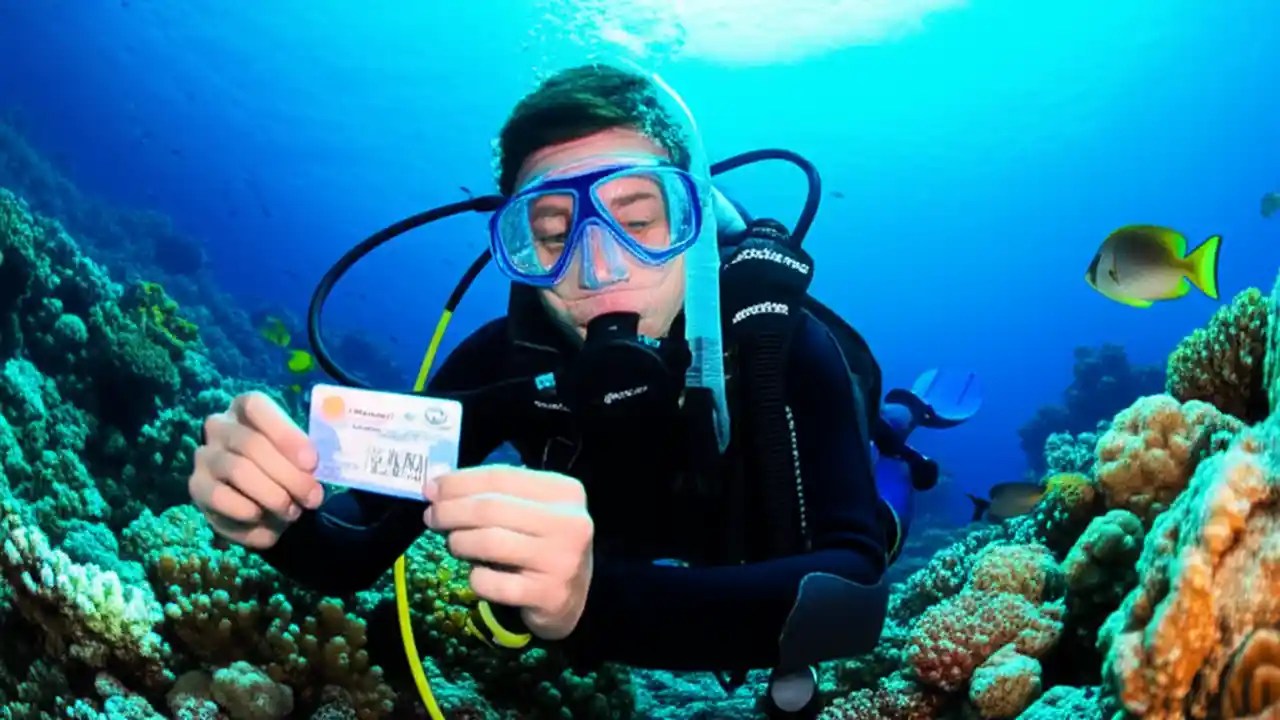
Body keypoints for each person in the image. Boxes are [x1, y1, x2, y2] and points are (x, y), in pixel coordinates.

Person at [188, 62, 977, 717]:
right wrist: (279, 516)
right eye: (555, 235)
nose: (599, 269)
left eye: (639, 218)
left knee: (885, 491)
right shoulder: (499, 362)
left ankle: (902, 430)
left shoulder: (776, 345)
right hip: (672, 564)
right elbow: (356, 546)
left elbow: (854, 594)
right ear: (517, 247)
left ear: (694, 222)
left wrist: (590, 605)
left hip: (776, 522)